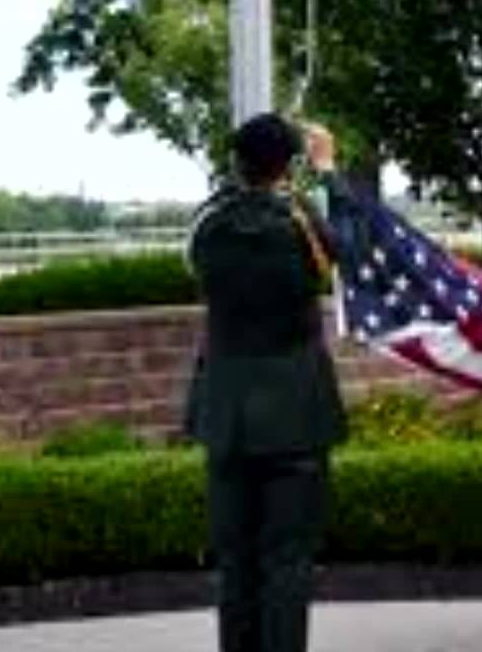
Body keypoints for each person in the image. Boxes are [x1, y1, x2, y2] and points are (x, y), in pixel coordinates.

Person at [184, 113, 346, 652]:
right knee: (288, 563)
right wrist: (325, 172)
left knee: (236, 565)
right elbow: (350, 245)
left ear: (235, 162)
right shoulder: (303, 224)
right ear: (288, 164)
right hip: (297, 416)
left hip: (228, 416)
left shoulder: (206, 226)